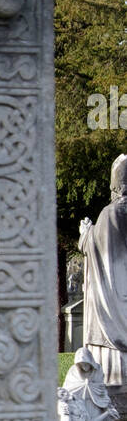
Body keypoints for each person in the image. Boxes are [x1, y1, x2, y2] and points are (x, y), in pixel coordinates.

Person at [79, 156, 127, 385]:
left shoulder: (111, 213)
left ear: (116, 186)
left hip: (112, 313)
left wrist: (86, 234)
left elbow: (102, 250)